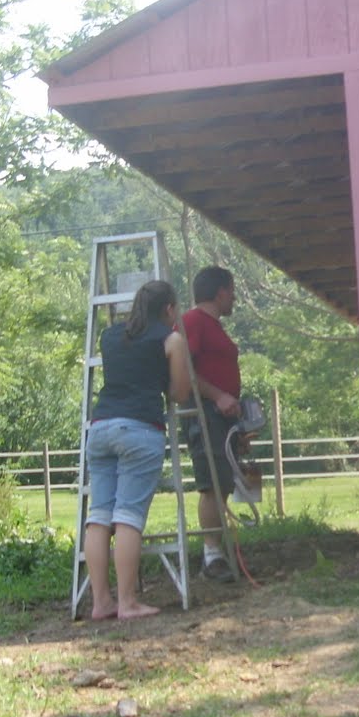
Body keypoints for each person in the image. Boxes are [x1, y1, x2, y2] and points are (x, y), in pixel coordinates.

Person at [84, 279, 191, 621]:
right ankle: (128, 602)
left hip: (100, 428)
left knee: (99, 516)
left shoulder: (110, 336)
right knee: (128, 516)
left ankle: (101, 602)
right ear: (169, 310)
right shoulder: (171, 339)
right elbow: (180, 393)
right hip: (140, 429)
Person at [182, 265, 243, 578]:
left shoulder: (213, 326)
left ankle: (216, 552)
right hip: (205, 414)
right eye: (231, 291)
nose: (233, 298)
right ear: (220, 292)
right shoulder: (194, 321)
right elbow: (186, 370)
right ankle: (211, 555)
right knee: (211, 484)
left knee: (222, 481)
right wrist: (219, 396)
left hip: (221, 415)